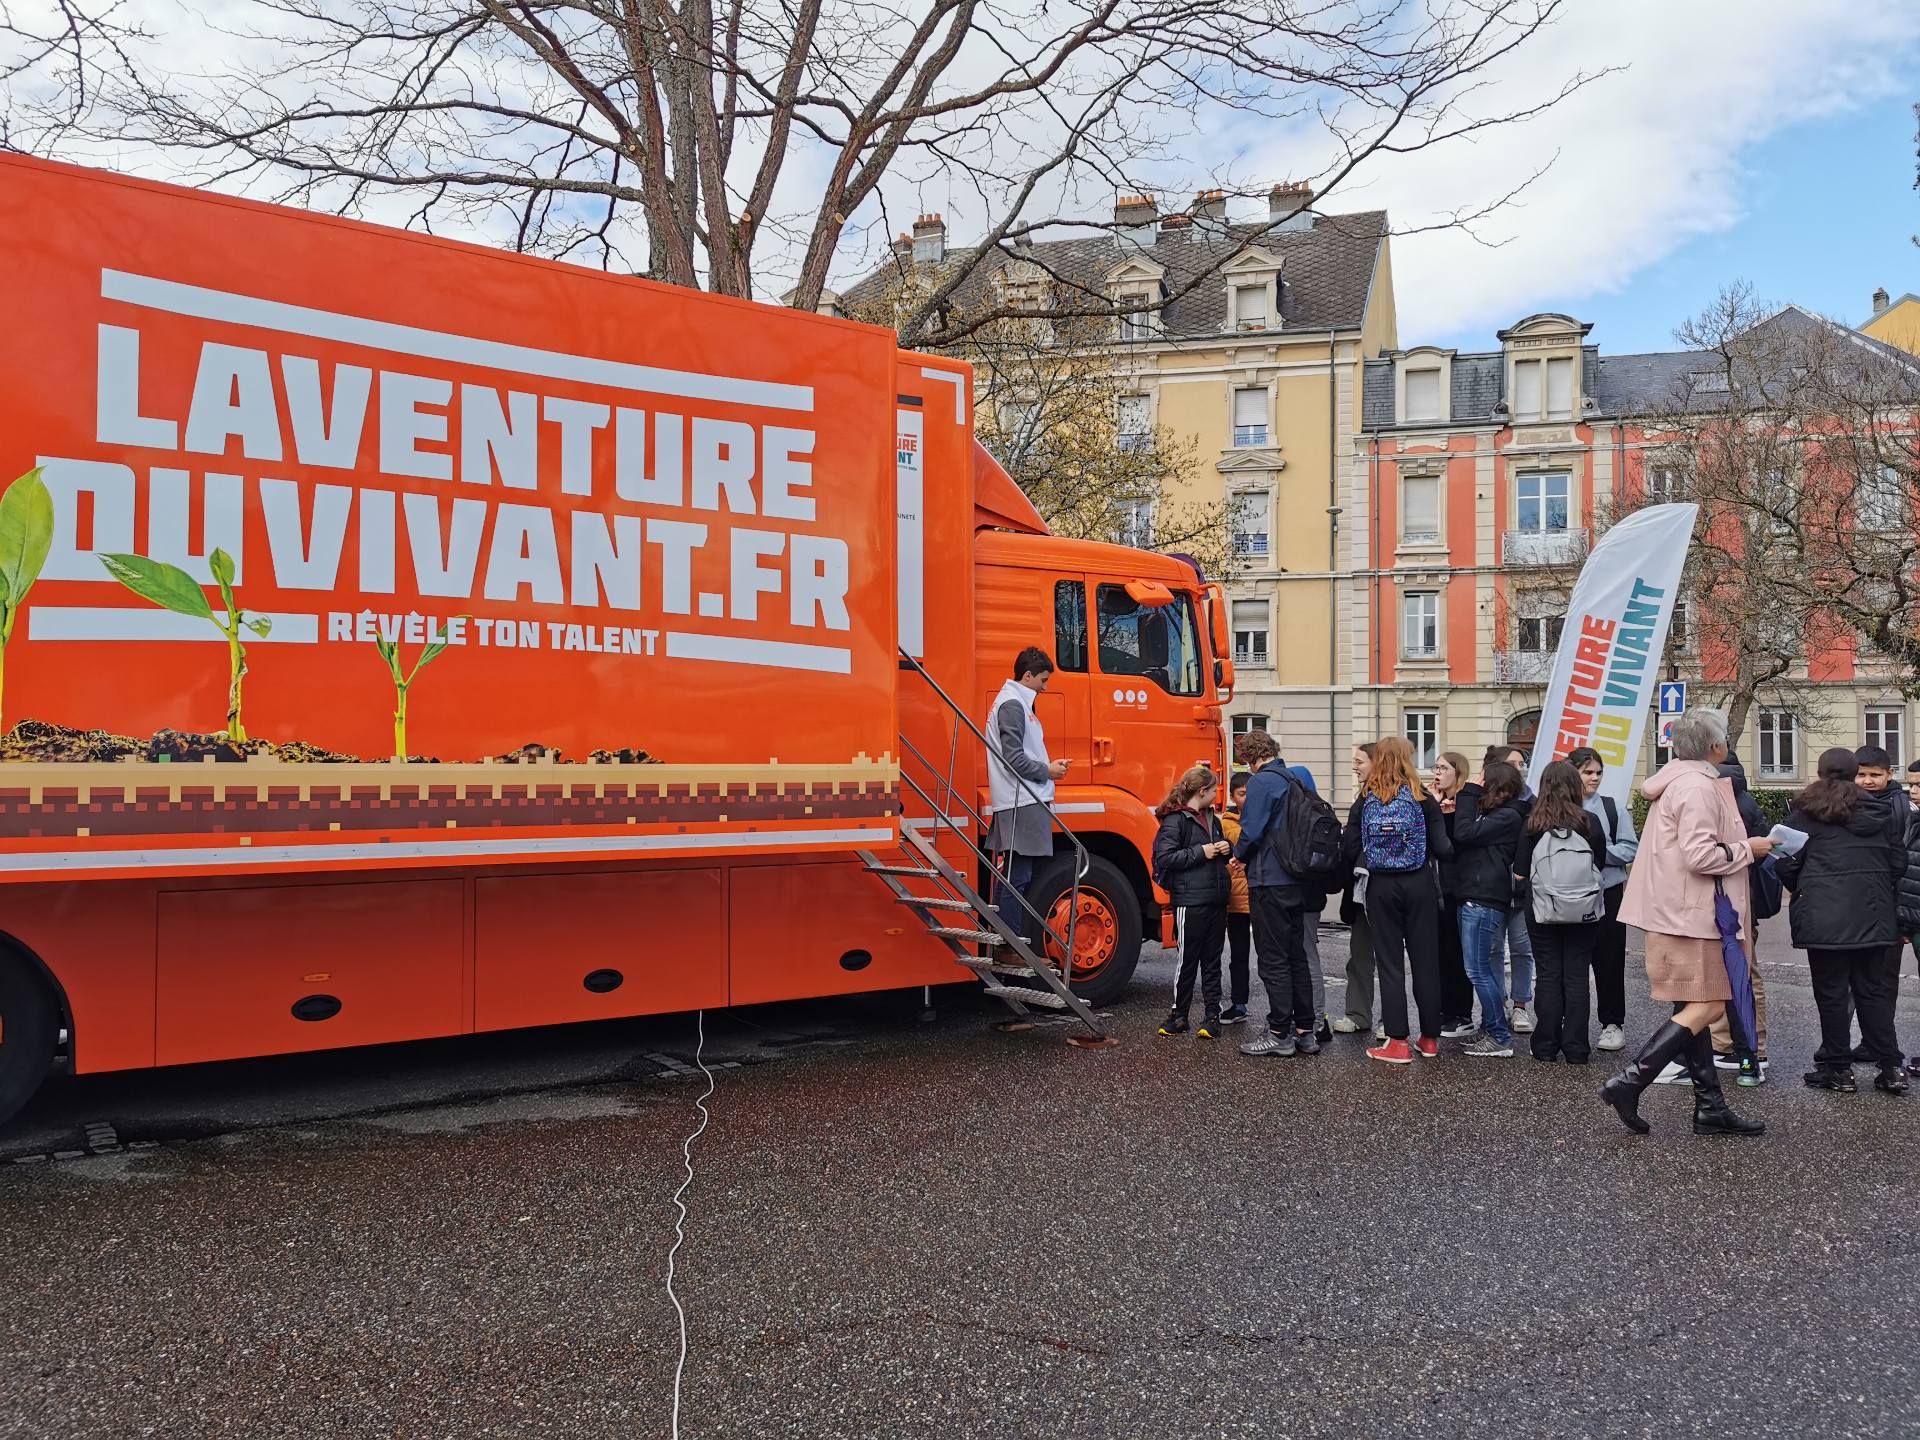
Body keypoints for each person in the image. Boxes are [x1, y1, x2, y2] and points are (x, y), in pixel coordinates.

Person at [1601, 708, 1767, 1136]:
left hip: (1684, 911)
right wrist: (1750, 848)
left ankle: (1710, 1106)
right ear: (1715, 746)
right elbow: (1701, 856)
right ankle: (1632, 1079)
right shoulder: (1696, 786)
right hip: (1695, 914)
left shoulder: (1681, 780)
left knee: (1692, 1009)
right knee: (1710, 1005)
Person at [1774, 748, 1908, 1095]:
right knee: (1874, 992)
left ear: (1820, 772)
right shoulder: (1881, 810)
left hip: (1823, 916)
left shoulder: (1803, 813)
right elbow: (1898, 863)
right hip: (1875, 914)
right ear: (1854, 774)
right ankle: (1892, 1067)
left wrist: (1804, 888)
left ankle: (1839, 1070)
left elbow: (1784, 861)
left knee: (1831, 995)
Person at [1346, 736, 1453, 1064]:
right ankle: (1430, 1039)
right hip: (1419, 883)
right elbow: (1444, 849)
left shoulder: (1365, 798)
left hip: (1381, 886)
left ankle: (1397, 1042)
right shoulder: (1423, 798)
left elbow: (1349, 847)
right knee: (1425, 963)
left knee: (1390, 966)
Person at [1229, 729, 1320, 1058]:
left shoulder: (1262, 782)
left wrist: (1238, 856)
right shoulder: (1294, 779)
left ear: (1252, 758)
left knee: (1272, 959)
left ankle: (1279, 1032)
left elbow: (1251, 830)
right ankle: (1305, 1032)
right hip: (1297, 879)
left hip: (1270, 879)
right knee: (1296, 956)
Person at [1516, 760, 1608, 1065]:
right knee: (1577, 975)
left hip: (1543, 908)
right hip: (1583, 910)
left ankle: (1545, 1046)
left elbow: (1519, 872)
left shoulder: (1532, 823)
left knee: (1548, 973)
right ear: (1575, 787)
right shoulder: (1590, 822)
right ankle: (1577, 1048)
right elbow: (1600, 864)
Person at [985, 648, 1071, 941]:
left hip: (1020, 799)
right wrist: (1048, 771)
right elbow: (1013, 759)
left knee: (1014, 875)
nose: (1046, 687)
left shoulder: (1014, 703)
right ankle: (1009, 945)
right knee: (1017, 877)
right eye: (1043, 680)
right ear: (1028, 676)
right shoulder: (1013, 705)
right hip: (1021, 800)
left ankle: (1006, 942)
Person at [1701, 750, 1772, 1086]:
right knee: (1748, 970)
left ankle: (1723, 1045)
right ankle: (1756, 1047)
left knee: (1712, 972)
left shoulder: (1706, 795)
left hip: (1712, 897)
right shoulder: (1747, 800)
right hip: (1747, 898)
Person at [1566, 747, 1639, 1053]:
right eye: (1588, 772)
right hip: (1568, 894)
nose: (1594, 778)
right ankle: (1570, 1023)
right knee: (1571, 962)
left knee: (1609, 960)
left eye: (1598, 772)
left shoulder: (1612, 808)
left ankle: (1612, 1023)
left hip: (1607, 892)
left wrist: (1596, 854)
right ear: (1573, 773)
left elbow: (1630, 848)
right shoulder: (1558, 807)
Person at [1152, 766, 1233, 1040]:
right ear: (1202, 792)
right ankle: (1179, 1015)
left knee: (1212, 961)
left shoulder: (1214, 820)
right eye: (1213, 790)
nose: (1216, 794)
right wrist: (1203, 852)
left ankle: (1212, 1017)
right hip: (1190, 900)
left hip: (1215, 898)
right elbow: (1165, 857)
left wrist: (1225, 849)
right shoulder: (1176, 821)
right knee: (1187, 960)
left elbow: (1214, 851)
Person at [1452, 761, 1527, 1058]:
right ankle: (1492, 1028)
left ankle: (1498, 1036)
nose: (1478, 783)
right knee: (1480, 968)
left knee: (1478, 970)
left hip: (1483, 899)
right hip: (1476, 896)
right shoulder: (1501, 815)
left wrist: (1468, 792)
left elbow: (1464, 833)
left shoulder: (1508, 816)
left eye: (1483, 781)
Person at [1848, 745, 1909, 1069]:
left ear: (1889, 775)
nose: (1868, 781)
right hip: (1862, 906)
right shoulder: (1852, 803)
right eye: (1862, 774)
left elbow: (1903, 865)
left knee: (1881, 982)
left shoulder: (1897, 808)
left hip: (1887, 908)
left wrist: (1900, 914)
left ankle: (1882, 1049)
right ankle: (1870, 1043)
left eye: (1875, 775)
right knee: (1860, 982)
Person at [1485, 743, 1537, 1033]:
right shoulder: (1485, 801)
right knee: (1492, 949)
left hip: (1521, 887)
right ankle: (1497, 1003)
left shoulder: (1532, 801)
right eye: (1515, 764)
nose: (1521, 769)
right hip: (1491, 888)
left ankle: (1520, 1005)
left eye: (1522, 764)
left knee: (1521, 948)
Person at [1331, 744, 1381, 1039]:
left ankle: (1390, 1019)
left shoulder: (1384, 797)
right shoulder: (1362, 796)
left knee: (1384, 958)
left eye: (1360, 761)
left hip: (1380, 887)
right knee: (1360, 956)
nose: (1355, 767)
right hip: (1359, 888)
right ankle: (1358, 1014)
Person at [1432, 751, 1477, 1041]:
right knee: (1440, 952)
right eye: (1435, 766)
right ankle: (1444, 1009)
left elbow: (1452, 846)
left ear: (1457, 773)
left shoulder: (1465, 806)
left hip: (1458, 888)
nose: (1436, 772)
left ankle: (1461, 1013)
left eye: (1443, 768)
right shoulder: (1435, 804)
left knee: (1458, 953)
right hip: (1435, 888)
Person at [1288, 762, 1335, 1043]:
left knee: (1305, 957)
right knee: (1307, 955)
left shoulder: (1300, 812)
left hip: (1299, 895)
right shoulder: (1321, 808)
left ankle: (1315, 1019)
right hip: (1313, 895)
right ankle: (1316, 1018)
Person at [1218, 771, 1255, 1025]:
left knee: (1269, 957)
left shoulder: (1260, 817)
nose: (1247, 799)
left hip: (1259, 895)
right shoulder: (1226, 823)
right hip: (1238, 901)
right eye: (1242, 794)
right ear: (1232, 796)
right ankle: (1238, 1003)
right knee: (1239, 956)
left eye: (1250, 794)